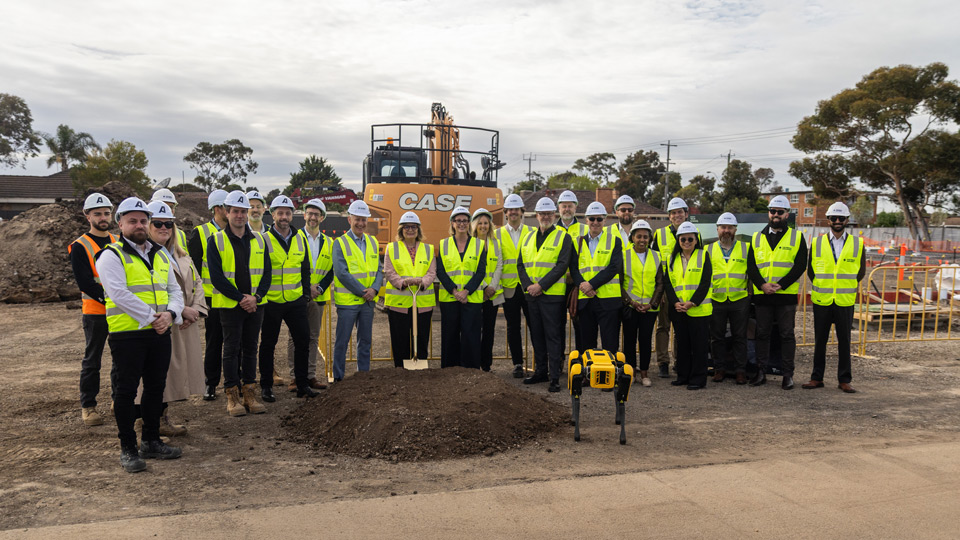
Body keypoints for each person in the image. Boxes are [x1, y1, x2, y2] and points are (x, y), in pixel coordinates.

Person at [95, 197, 183, 473]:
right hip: (129, 335)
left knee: (156, 388)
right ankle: (128, 448)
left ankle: (151, 440)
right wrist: (152, 318)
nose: (139, 225)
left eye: (143, 220)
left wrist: (171, 314)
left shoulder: (160, 253)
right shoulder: (111, 255)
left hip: (159, 332)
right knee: (126, 392)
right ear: (119, 223)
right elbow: (118, 294)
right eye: (132, 220)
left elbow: (174, 290)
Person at [207, 190, 273, 415]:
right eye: (235, 211)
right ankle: (232, 397)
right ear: (226, 212)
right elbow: (216, 277)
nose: (240, 215)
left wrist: (256, 298)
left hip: (255, 305)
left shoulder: (261, 239)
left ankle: (249, 394)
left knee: (250, 349)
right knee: (231, 350)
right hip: (230, 305)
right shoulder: (216, 240)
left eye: (243, 211)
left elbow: (267, 274)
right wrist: (241, 298)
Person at [143, 201, 206, 435]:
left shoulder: (180, 254)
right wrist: (181, 312)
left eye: (168, 224)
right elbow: (156, 292)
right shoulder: (146, 255)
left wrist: (196, 310)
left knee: (169, 377)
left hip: (182, 323)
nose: (164, 228)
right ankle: (148, 423)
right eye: (157, 223)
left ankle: (161, 418)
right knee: (156, 376)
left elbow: (197, 282)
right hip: (161, 324)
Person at [259, 195, 318, 400]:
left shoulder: (300, 238)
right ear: (273, 214)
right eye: (280, 213)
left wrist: (303, 295)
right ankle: (266, 386)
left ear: (293, 215)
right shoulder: (264, 239)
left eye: (288, 213)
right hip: (271, 302)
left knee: (302, 341)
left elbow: (305, 270)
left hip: (295, 302)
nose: (284, 217)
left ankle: (302, 384)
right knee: (268, 344)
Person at [747, 194, 808, 390]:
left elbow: (800, 265)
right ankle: (761, 372)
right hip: (763, 295)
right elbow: (751, 266)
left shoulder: (797, 237)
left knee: (787, 335)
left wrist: (780, 284)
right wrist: (762, 285)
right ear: (769, 213)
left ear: (787, 214)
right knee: (762, 334)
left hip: (786, 296)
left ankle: (787, 374)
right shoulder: (757, 237)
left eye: (779, 212)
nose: (775, 215)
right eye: (772, 211)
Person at [804, 202, 866, 394]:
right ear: (828, 220)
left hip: (844, 301)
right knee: (820, 340)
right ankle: (817, 378)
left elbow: (860, 272)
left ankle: (844, 379)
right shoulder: (817, 243)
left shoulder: (858, 244)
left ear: (847, 220)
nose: (837, 221)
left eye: (841, 218)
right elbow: (812, 271)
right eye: (834, 218)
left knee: (844, 341)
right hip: (822, 300)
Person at [69, 193, 117, 426]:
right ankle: (89, 406)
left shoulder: (119, 242)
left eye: (107, 213)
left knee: (122, 358)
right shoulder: (80, 246)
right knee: (92, 360)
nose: (103, 217)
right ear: (87, 216)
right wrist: (112, 299)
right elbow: (85, 282)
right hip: (95, 312)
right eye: (97, 213)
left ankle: (118, 400)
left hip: (119, 312)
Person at [518, 197, 574, 392]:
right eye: (542, 214)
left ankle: (555, 377)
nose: (546, 217)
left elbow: (562, 266)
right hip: (532, 296)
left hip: (552, 296)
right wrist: (528, 287)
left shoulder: (563, 237)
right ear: (536, 216)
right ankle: (540, 372)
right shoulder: (527, 237)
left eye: (549, 214)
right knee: (537, 335)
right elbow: (520, 265)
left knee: (553, 336)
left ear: (554, 215)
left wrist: (540, 286)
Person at [332, 200, 383, 381]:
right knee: (342, 342)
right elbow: (341, 273)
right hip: (349, 303)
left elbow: (378, 269)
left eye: (364, 219)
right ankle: (338, 377)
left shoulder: (372, 242)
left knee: (365, 342)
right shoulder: (340, 243)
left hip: (368, 302)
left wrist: (375, 289)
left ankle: (363, 376)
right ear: (349, 219)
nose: (361, 223)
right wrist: (364, 291)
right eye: (357, 219)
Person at [287, 198, 333, 390]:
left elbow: (331, 270)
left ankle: (310, 375)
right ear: (304, 215)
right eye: (310, 213)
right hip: (298, 296)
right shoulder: (294, 238)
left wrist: (319, 288)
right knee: (294, 337)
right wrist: (307, 288)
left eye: (316, 214)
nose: (313, 217)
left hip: (318, 297)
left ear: (322, 218)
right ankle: (295, 377)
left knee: (313, 337)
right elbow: (290, 266)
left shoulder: (329, 242)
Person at [188, 189, 228, 401]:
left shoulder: (238, 231)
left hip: (233, 297)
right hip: (212, 298)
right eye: (224, 207)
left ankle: (235, 381)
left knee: (235, 342)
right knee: (214, 341)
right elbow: (192, 268)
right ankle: (210, 383)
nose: (228, 211)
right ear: (215, 209)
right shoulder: (200, 233)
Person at [651, 197, 696, 379]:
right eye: (673, 213)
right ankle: (663, 362)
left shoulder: (694, 232)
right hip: (664, 289)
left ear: (686, 214)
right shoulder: (660, 235)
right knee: (663, 326)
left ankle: (680, 361)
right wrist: (658, 291)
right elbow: (654, 262)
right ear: (669, 216)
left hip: (684, 289)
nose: (677, 215)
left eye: (680, 212)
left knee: (681, 327)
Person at [664, 222, 713, 390]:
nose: (686, 242)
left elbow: (705, 282)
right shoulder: (671, 258)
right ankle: (683, 376)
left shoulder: (703, 255)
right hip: (678, 309)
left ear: (696, 239)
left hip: (698, 309)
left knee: (699, 346)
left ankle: (698, 379)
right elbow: (668, 283)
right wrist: (675, 302)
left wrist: (692, 302)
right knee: (683, 344)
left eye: (690, 239)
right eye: (683, 239)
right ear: (678, 240)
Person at [383, 211, 436, 367]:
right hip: (399, 301)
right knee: (400, 338)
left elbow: (432, 272)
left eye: (413, 227)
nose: (410, 230)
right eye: (406, 227)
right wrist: (402, 282)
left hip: (423, 301)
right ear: (401, 229)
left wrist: (422, 282)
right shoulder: (391, 248)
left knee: (421, 337)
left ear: (418, 230)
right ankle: (401, 368)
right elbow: (389, 271)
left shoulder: (428, 249)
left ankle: (419, 366)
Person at [437, 206, 487, 369]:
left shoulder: (479, 245)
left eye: (465, 220)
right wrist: (454, 291)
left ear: (469, 223)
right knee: (449, 336)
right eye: (458, 220)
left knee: (471, 336)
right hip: (449, 298)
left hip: (471, 299)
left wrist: (466, 291)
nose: (462, 224)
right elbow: (441, 272)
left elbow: (480, 272)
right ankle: (449, 370)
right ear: (452, 223)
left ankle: (471, 370)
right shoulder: (443, 244)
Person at [572, 201, 623, 355]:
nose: (595, 222)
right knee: (586, 344)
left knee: (610, 343)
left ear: (605, 220)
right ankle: (588, 376)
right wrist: (583, 285)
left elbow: (614, 267)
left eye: (599, 219)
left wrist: (591, 285)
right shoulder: (577, 242)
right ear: (586, 220)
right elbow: (573, 268)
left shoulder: (614, 240)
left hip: (608, 300)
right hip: (585, 301)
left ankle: (610, 376)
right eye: (592, 219)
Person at [708, 212, 750, 385]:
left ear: (735, 229)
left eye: (730, 228)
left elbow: (752, 273)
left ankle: (740, 371)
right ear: (717, 229)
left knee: (740, 336)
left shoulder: (746, 248)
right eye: (723, 227)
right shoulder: (708, 249)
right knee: (717, 337)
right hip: (716, 299)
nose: (726, 231)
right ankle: (719, 369)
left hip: (739, 299)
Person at [620, 219, 663, 387]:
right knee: (629, 340)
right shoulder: (624, 255)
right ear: (632, 238)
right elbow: (619, 282)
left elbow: (660, 283)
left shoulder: (656, 256)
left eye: (645, 237)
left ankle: (644, 373)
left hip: (649, 308)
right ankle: (630, 374)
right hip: (630, 306)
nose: (642, 240)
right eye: (639, 236)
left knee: (645, 340)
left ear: (650, 238)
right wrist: (630, 302)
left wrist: (652, 304)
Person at [495, 194, 533, 378]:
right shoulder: (497, 234)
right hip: (508, 287)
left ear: (522, 212)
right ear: (505, 212)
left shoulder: (532, 232)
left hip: (528, 287)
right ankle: (517, 363)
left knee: (535, 325)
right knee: (513, 327)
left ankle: (540, 362)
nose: (513, 213)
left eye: (516, 209)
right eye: (510, 210)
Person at [470, 208, 503, 372]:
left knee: (489, 331)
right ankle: (475, 363)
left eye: (486, 223)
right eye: (480, 223)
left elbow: (499, 266)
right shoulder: (470, 243)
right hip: (476, 293)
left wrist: (492, 287)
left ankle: (486, 365)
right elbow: (471, 269)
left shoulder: (496, 243)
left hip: (492, 294)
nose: (483, 226)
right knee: (475, 329)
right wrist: (483, 286)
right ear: (475, 225)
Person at [557, 190, 585, 356]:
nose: (567, 209)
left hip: (578, 285)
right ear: (558, 209)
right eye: (564, 206)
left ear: (576, 208)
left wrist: (578, 280)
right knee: (557, 324)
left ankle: (582, 359)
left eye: (570, 206)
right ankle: (558, 359)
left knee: (580, 325)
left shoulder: (585, 229)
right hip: (557, 285)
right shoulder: (552, 230)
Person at [151, 188, 188, 252]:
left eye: (170, 207)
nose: (167, 210)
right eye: (163, 206)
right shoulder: (142, 234)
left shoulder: (181, 234)